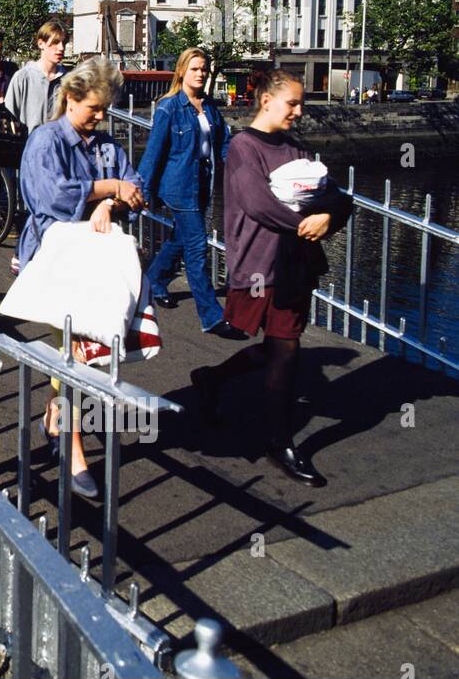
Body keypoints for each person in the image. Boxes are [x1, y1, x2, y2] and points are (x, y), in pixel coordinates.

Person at [189, 69, 350, 487]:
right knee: (267, 342)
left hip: (294, 264)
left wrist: (329, 215)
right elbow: (257, 203)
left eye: (301, 104)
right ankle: (212, 379)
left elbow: (331, 192)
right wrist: (307, 222)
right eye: (292, 103)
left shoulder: (295, 145)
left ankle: (279, 441)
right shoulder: (243, 147)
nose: (299, 111)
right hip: (260, 263)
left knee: (285, 347)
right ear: (266, 101)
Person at [16, 56, 145, 499]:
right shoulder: (44, 141)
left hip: (95, 265)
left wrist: (114, 202)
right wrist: (108, 191)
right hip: (58, 261)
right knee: (75, 349)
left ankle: (55, 420)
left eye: (105, 109)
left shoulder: (107, 145)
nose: (101, 117)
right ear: (70, 99)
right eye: (93, 108)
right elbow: (51, 197)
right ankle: (72, 449)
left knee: (85, 350)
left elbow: (134, 184)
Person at [137, 48, 246, 339]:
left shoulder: (209, 106)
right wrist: (143, 190)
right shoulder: (168, 108)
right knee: (197, 247)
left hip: (203, 183)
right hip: (178, 186)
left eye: (204, 69)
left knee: (181, 238)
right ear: (182, 70)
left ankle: (154, 279)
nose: (200, 74)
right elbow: (154, 153)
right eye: (195, 68)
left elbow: (223, 143)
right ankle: (211, 317)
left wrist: (246, 168)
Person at [4, 20, 69, 133]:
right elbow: (9, 118)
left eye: (64, 43)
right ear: (41, 44)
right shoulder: (23, 77)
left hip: (59, 148)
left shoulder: (68, 80)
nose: (61, 48)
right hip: (28, 147)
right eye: (56, 42)